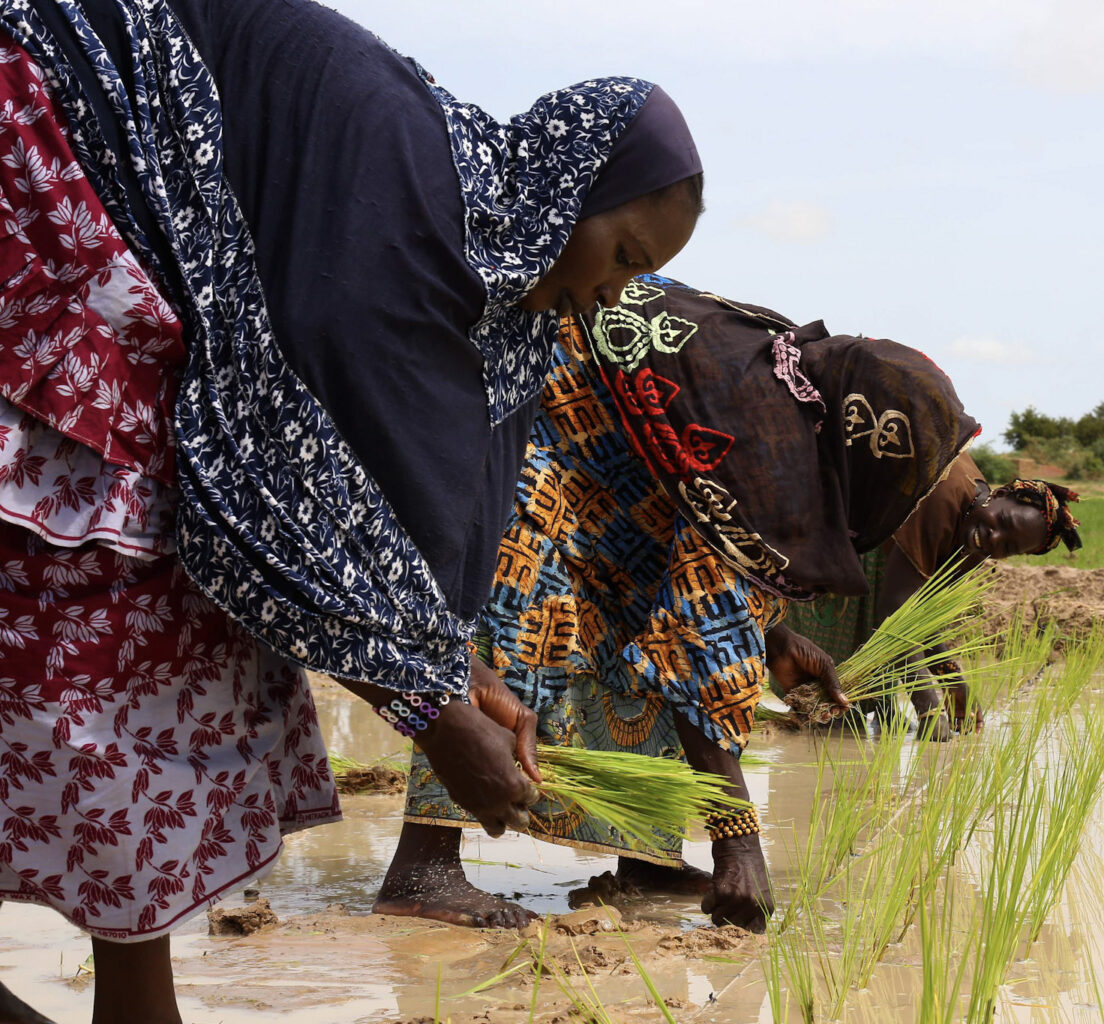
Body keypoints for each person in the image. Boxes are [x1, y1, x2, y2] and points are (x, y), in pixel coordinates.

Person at [0, 0, 702, 1020]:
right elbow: (277, 480)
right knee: (116, 583)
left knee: (163, 626)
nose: (612, 296)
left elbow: (380, 501)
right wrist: (427, 708)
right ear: (570, 188)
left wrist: (455, 665)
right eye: (627, 256)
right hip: (50, 143)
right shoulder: (404, 203)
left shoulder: (480, 266)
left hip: (124, 236)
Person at [377, 277, 983, 933]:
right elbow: (703, 642)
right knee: (521, 611)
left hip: (600, 471)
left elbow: (698, 566)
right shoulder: (769, 447)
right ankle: (421, 868)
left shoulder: (788, 399)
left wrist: (775, 637)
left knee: (646, 627)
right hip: (520, 428)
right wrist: (739, 845)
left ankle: (647, 857)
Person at [783, 455, 1082, 739]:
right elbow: (895, 614)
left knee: (860, 691)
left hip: (881, 555)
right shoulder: (946, 494)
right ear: (1000, 494)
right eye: (1003, 521)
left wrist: (952, 681)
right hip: (836, 520)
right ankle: (827, 715)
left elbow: (921, 615)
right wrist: (928, 707)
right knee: (837, 690)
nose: (995, 538)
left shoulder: (977, 538)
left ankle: (868, 712)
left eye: (1008, 548)